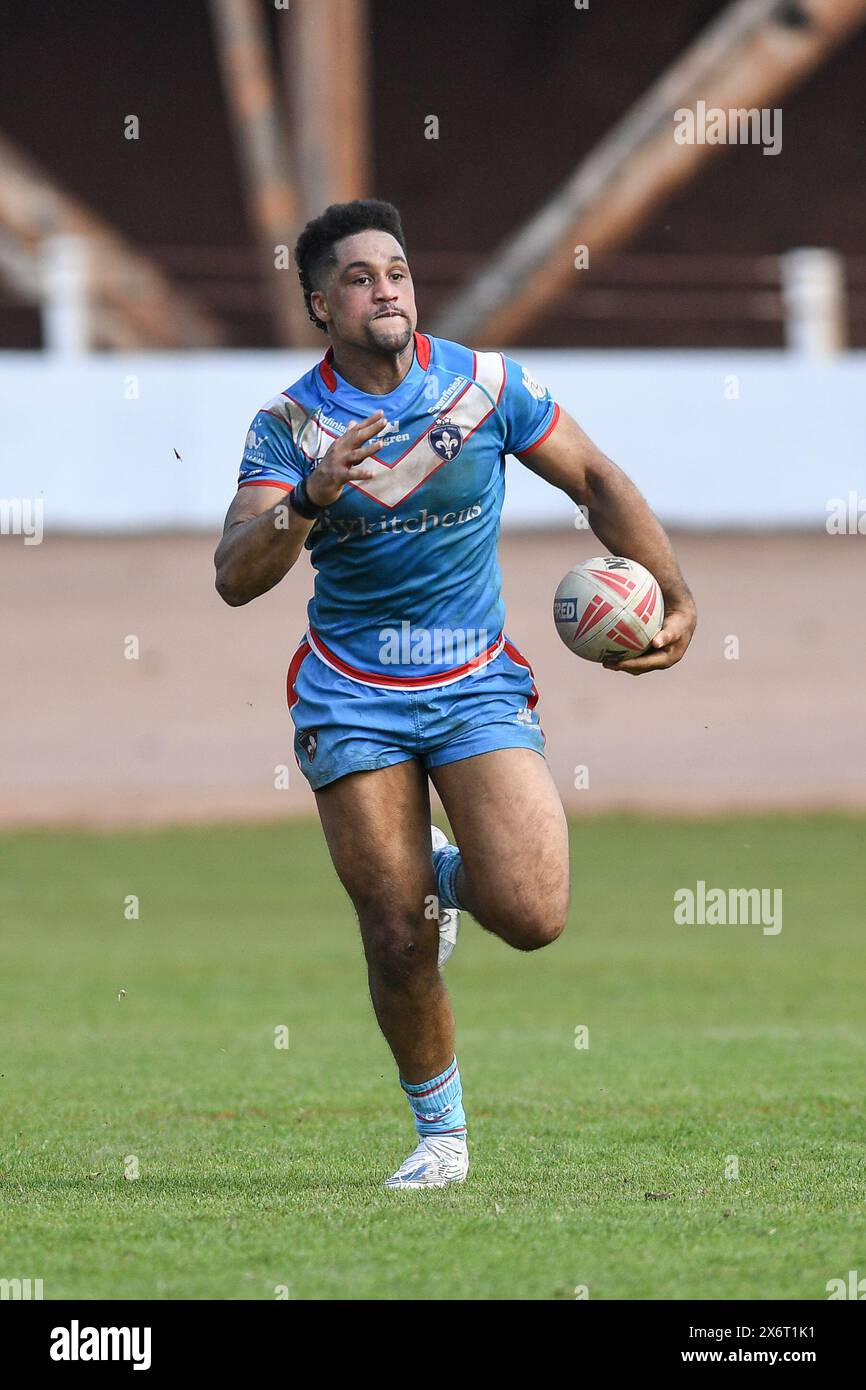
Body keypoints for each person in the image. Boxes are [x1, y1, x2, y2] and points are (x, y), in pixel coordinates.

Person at [214, 200, 696, 1189]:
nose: (383, 287)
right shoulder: (292, 425)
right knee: (392, 932)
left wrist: (676, 593)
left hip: (474, 680)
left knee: (530, 912)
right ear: (318, 303)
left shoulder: (481, 386)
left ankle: (436, 870)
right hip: (351, 692)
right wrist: (307, 497)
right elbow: (234, 570)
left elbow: (595, 480)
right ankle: (441, 1139)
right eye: (356, 276)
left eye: (394, 269)